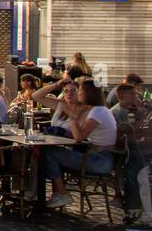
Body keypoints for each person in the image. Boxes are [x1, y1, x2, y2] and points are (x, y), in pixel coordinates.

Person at [44, 80, 118, 209]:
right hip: (99, 156)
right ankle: (56, 192)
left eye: (80, 91)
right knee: (54, 152)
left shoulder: (97, 112)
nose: (78, 93)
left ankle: (61, 192)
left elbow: (78, 137)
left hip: (98, 160)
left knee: (50, 153)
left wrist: (72, 116)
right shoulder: (99, 110)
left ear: (87, 93)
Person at [111, 83, 152, 231]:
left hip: (127, 151)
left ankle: (137, 210)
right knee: (139, 169)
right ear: (123, 96)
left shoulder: (128, 110)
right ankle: (138, 212)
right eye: (133, 94)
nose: (137, 97)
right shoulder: (120, 112)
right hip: (122, 153)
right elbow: (129, 137)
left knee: (141, 164)